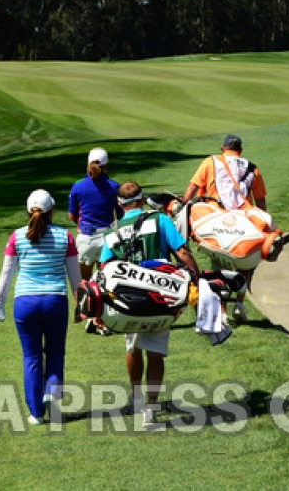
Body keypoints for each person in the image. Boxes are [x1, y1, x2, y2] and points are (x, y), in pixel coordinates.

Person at [98, 181, 199, 427]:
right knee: (155, 352)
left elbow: (104, 268)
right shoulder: (160, 220)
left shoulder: (112, 231)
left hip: (127, 301)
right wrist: (197, 277)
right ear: (142, 201)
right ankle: (151, 409)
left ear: (119, 206)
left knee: (133, 347)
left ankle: (137, 397)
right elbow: (182, 252)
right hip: (160, 298)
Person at [0, 189, 83, 426]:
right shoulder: (65, 237)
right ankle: (51, 395)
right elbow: (75, 278)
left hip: (25, 303)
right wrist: (81, 305)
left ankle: (36, 413)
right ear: (52, 210)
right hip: (55, 302)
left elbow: (6, 274)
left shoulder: (17, 236)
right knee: (55, 352)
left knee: (31, 357)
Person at [182, 134, 271, 323]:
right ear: (240, 151)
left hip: (218, 220)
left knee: (219, 266)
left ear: (223, 148)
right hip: (244, 222)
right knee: (247, 262)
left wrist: (183, 208)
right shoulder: (252, 168)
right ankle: (239, 303)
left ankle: (222, 311)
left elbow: (192, 189)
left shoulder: (210, 162)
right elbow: (261, 201)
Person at [68, 147, 120, 280]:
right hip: (108, 238)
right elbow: (120, 216)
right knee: (107, 282)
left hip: (86, 238)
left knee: (84, 284)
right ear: (106, 166)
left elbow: (72, 215)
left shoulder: (78, 186)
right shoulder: (114, 186)